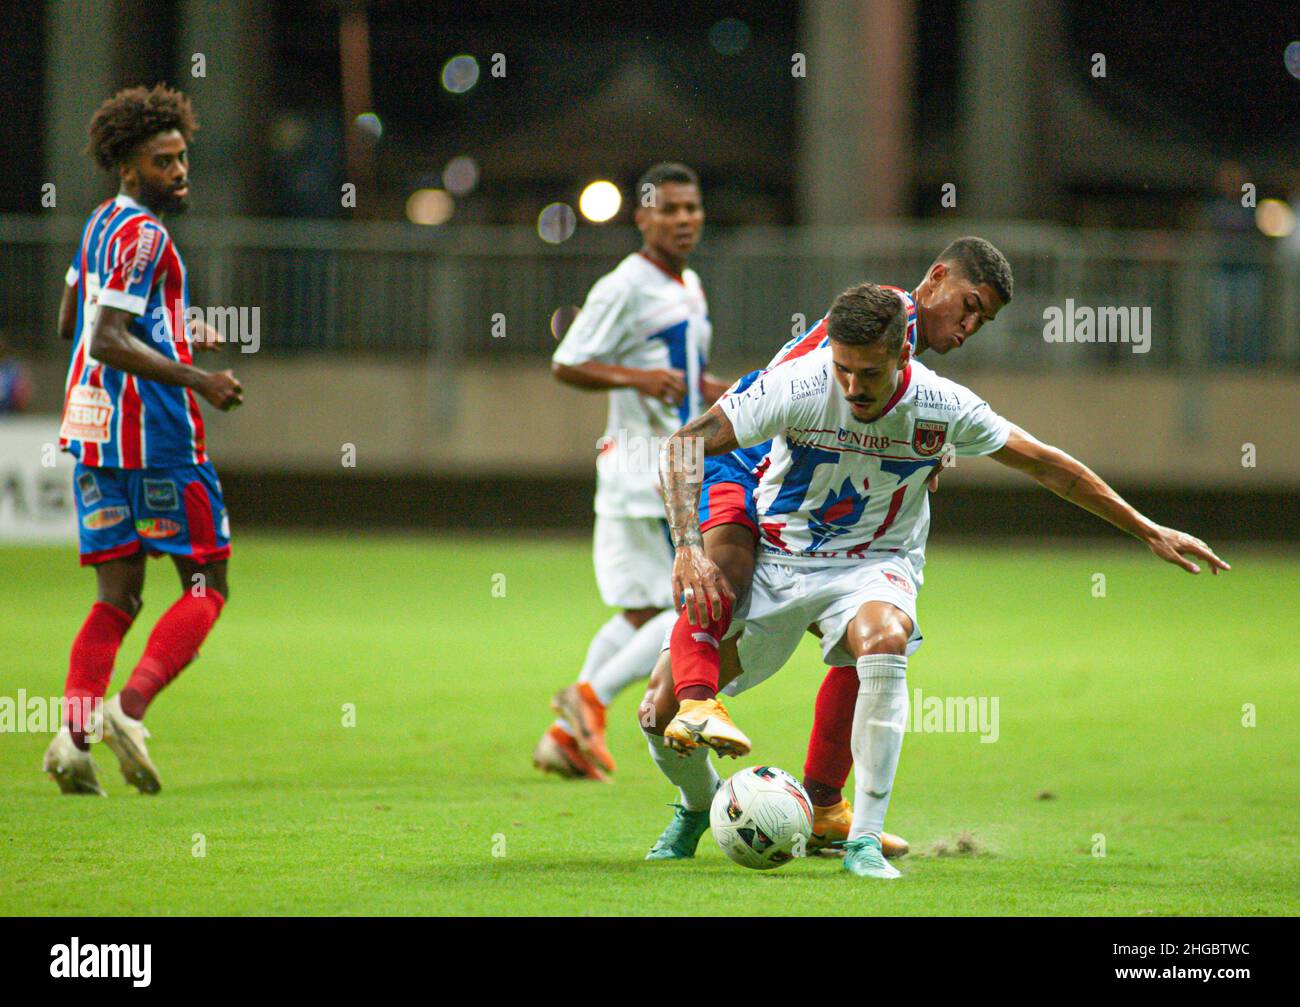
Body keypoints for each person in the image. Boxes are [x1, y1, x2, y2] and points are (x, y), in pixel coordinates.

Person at [644, 282, 1227, 876]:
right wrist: (688, 547)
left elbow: (1052, 467)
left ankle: (863, 841)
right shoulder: (800, 382)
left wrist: (1149, 528)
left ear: (903, 355)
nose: (851, 387)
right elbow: (683, 446)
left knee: (882, 640)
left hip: (872, 564)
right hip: (781, 554)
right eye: (842, 369)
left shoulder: (943, 405)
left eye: (867, 373)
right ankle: (699, 806)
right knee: (661, 709)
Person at [642, 236, 1012, 858]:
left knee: (864, 636)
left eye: (985, 318)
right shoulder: (878, 323)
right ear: (937, 278)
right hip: (746, 468)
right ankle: (700, 769)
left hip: (807, 506)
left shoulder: (909, 370)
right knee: (721, 587)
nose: (970, 325)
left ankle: (826, 806)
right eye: (968, 305)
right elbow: (795, 392)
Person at [43, 84, 243, 796]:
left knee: (117, 596)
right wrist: (199, 377)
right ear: (130, 168)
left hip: (94, 440)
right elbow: (105, 336)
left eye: (183, 157)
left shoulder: (100, 224)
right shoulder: (148, 236)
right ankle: (128, 712)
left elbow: (72, 317)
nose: (181, 172)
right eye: (165, 162)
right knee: (206, 584)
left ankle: (71, 742)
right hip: (156, 438)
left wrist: (178, 330)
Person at [533, 162, 729, 780]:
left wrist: (743, 397)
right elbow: (568, 362)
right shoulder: (625, 284)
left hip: (672, 462)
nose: (682, 220)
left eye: (691, 208)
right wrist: (638, 378)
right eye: (668, 210)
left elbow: (687, 379)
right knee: (690, 604)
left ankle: (566, 735)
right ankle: (589, 699)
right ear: (642, 217)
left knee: (646, 613)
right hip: (644, 466)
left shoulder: (689, 285)